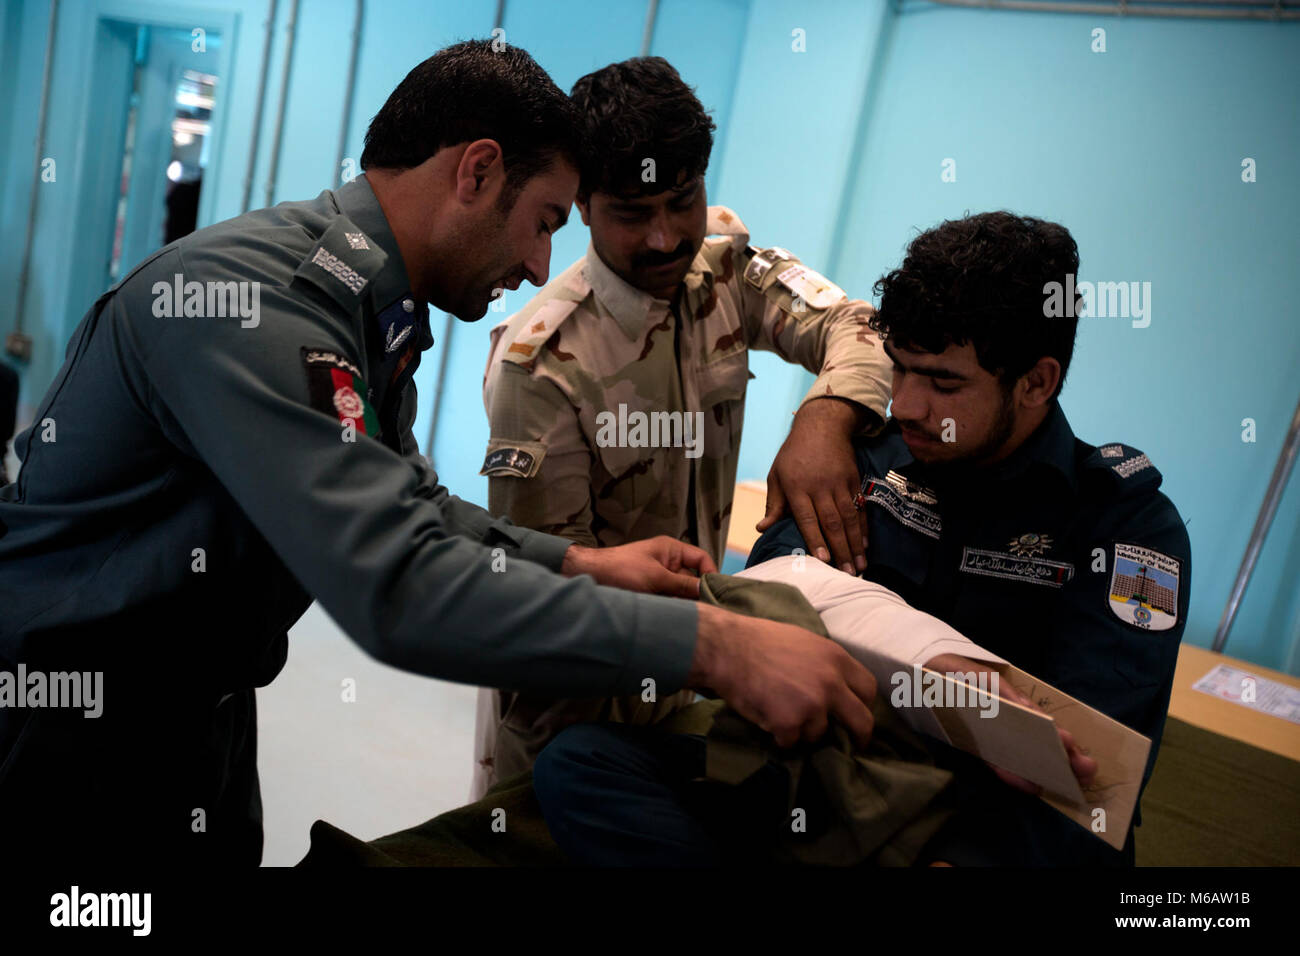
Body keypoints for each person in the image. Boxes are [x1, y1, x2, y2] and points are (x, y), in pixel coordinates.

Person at [0, 40, 876, 866]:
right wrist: (714, 645)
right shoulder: (249, 304)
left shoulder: (366, 309)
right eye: (541, 223)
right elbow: (397, 585)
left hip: (197, 716)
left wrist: (574, 562)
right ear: (477, 170)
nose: (540, 267)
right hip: (70, 729)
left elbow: (407, 502)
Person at [532, 211, 1191, 866]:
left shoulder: (1129, 530)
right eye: (899, 368)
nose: (905, 404)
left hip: (982, 827)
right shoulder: (863, 458)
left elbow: (1092, 777)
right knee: (581, 764)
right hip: (836, 784)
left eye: (942, 382)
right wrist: (824, 416)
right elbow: (767, 590)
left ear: (1036, 382)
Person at [473, 57, 892, 796]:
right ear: (583, 205)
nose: (667, 239)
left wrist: (824, 418)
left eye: (682, 201)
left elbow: (860, 325)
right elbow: (545, 595)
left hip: (693, 690)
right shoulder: (539, 365)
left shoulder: (724, 266)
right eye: (634, 216)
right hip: (574, 721)